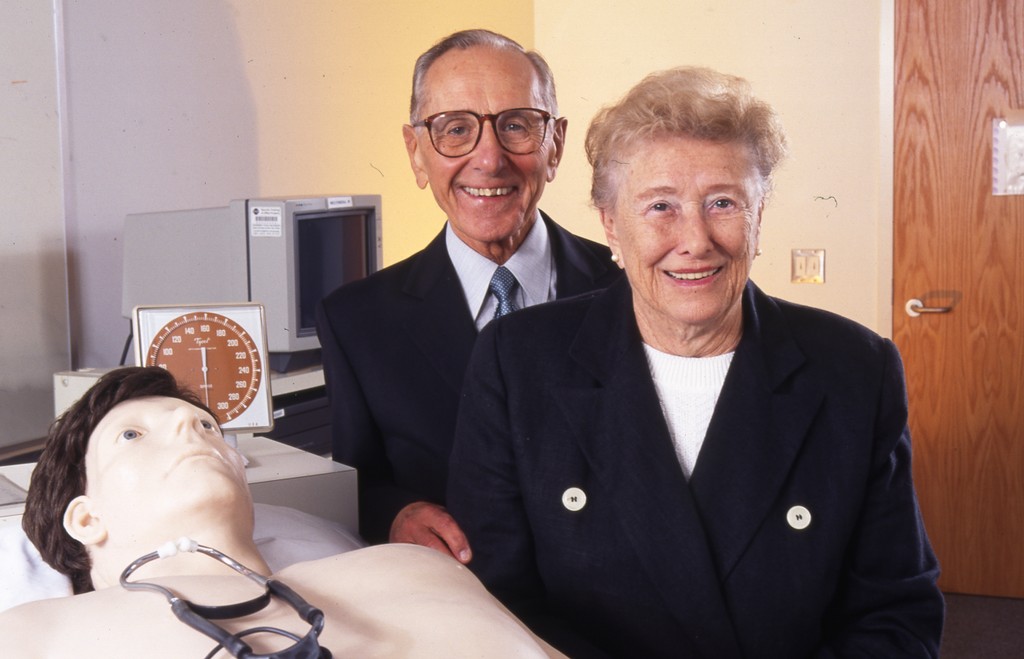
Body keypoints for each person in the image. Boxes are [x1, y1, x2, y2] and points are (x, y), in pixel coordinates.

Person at [447, 67, 945, 658]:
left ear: (760, 217)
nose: (696, 240)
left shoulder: (855, 370)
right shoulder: (517, 361)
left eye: (723, 203)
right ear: (610, 224)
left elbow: (895, 614)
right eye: (660, 206)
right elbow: (492, 606)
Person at [1, 367, 565, 658]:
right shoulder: (34, 636)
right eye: (132, 435)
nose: (188, 429)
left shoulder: (419, 570)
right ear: (85, 518)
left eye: (207, 427)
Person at [316, 29, 621, 557]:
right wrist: (396, 513)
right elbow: (358, 482)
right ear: (415, 153)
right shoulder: (357, 320)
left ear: (555, 147)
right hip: (463, 601)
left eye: (516, 126)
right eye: (455, 129)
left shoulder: (635, 289)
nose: (489, 159)